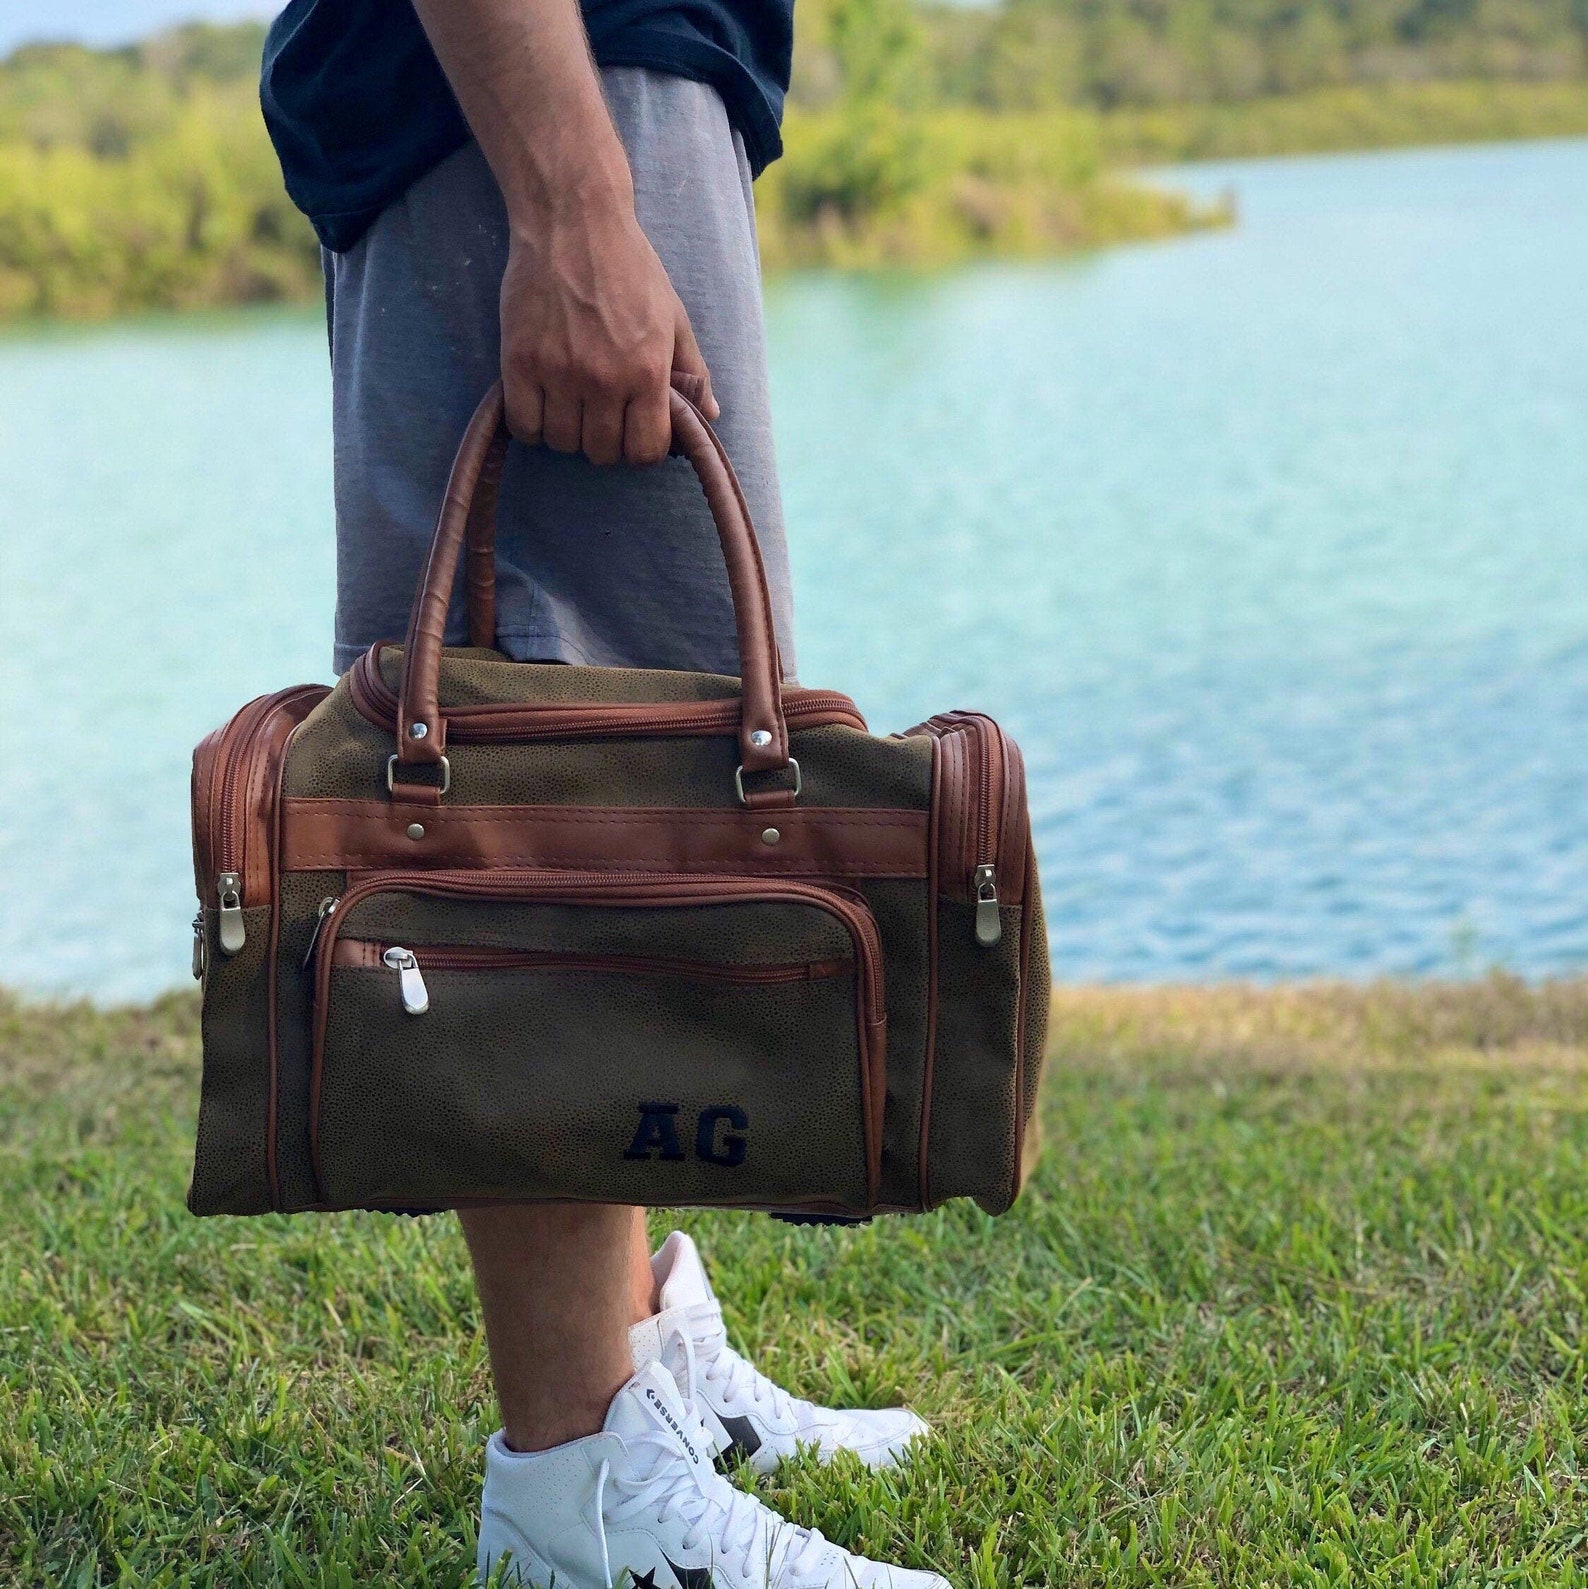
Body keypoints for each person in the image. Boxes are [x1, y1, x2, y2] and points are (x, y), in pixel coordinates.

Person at [260, 1, 950, 1584]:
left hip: (585, 88)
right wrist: (572, 197)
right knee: (549, 789)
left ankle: (639, 1378)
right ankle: (582, 1491)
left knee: (636, 783)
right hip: (529, 98)